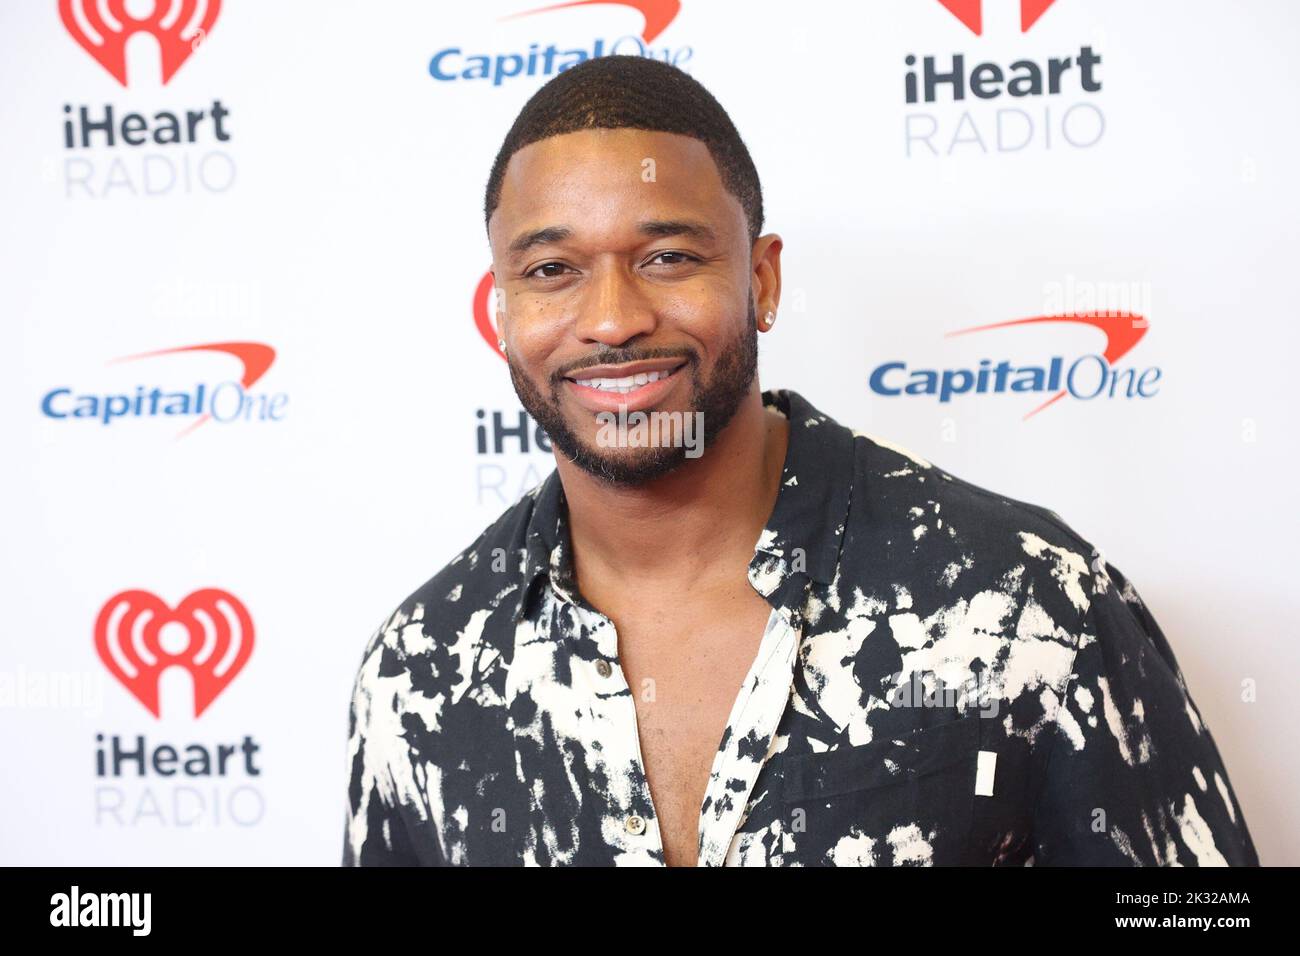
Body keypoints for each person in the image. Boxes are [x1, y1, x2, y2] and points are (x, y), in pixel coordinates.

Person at [341, 54, 1257, 866]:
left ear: (762, 279)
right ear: (501, 306)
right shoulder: (420, 668)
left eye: (667, 256)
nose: (613, 319)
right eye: (552, 271)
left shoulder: (1025, 600)